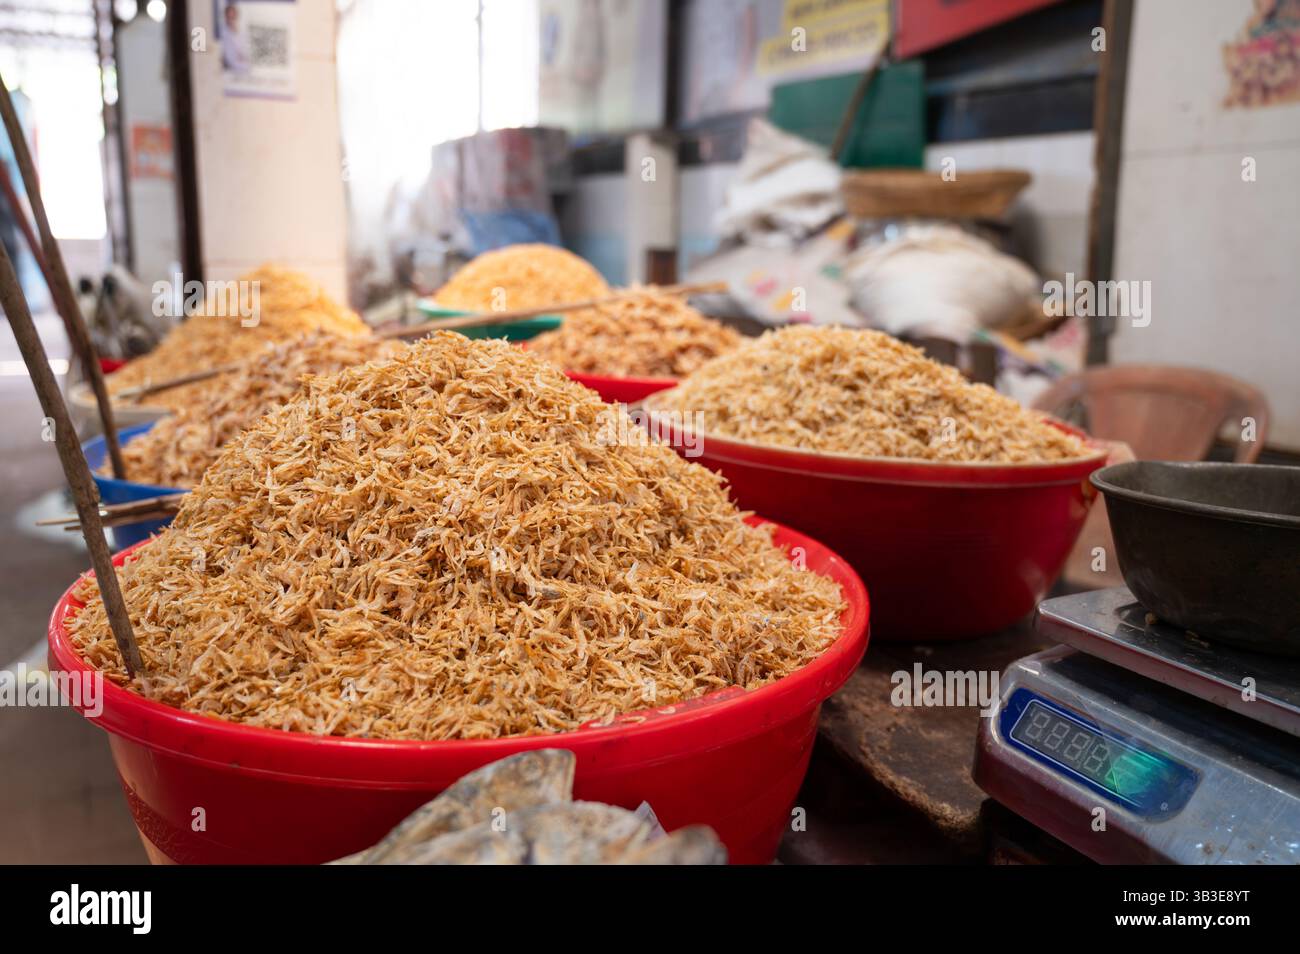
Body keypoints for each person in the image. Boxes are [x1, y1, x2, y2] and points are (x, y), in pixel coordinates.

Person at [220, 1, 250, 74]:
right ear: (225, 17)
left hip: (243, 68)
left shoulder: (242, 32)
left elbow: (245, 51)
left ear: (236, 16)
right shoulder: (222, 32)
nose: (231, 19)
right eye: (229, 17)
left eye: (233, 17)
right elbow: (225, 55)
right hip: (228, 70)